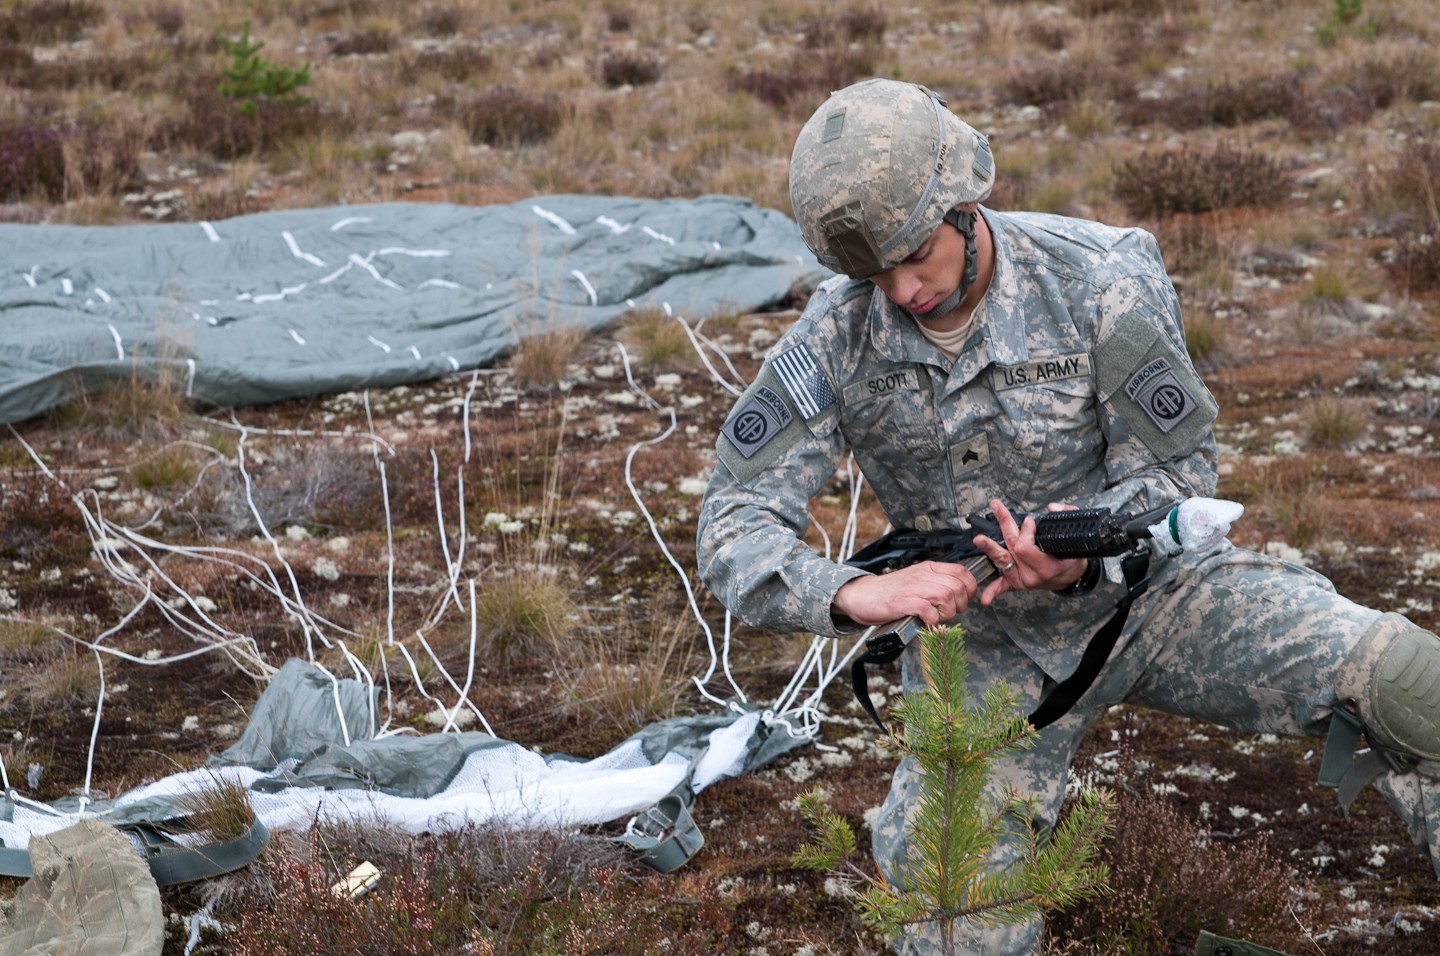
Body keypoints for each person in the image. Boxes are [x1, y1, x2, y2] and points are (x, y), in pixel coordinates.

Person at [695, 77, 1440, 954]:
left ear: (964, 201)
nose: (900, 291)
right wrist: (859, 595)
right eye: (872, 272)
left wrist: (1087, 556)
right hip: (984, 645)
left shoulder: (1099, 275)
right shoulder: (834, 336)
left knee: (1408, 691)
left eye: (915, 254)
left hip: (1156, 594)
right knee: (953, 912)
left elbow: (1177, 471)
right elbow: (732, 523)